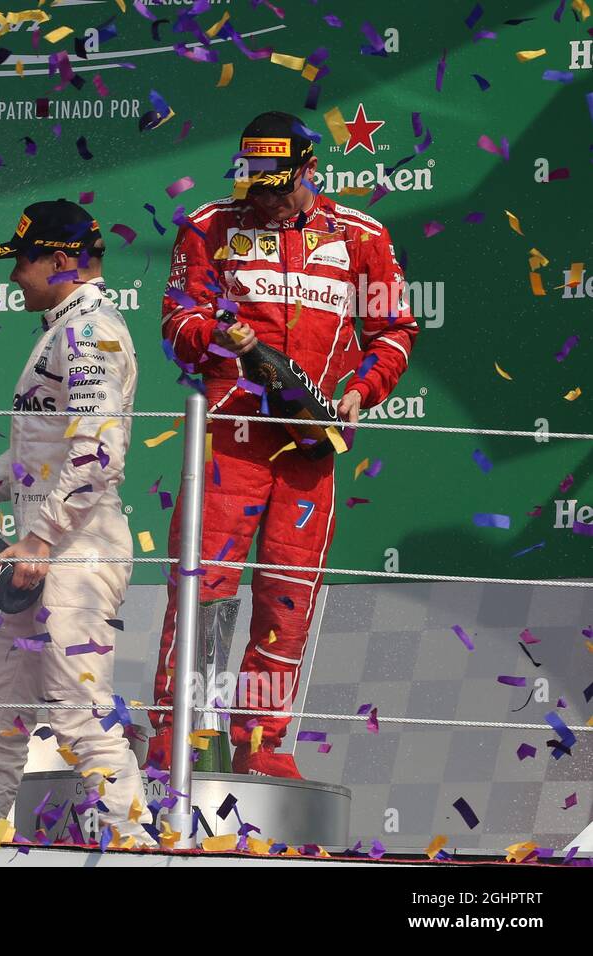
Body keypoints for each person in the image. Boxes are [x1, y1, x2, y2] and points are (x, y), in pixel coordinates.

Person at [148, 111, 419, 778]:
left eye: (276, 184)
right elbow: (177, 319)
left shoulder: (364, 236)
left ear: (309, 170)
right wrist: (219, 335)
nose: (262, 197)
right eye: (253, 183)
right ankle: (180, 731)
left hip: (310, 445)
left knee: (287, 595)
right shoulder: (210, 225)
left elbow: (393, 330)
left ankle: (261, 741)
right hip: (231, 438)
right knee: (203, 587)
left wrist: (363, 389)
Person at [0, 199, 154, 847]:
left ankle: (137, 842)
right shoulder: (62, 331)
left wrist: (40, 538)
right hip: (43, 554)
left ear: (62, 261)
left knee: (77, 715)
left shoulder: (90, 332)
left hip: (76, 552)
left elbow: (99, 450)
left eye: (23, 259)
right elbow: (31, 456)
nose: (14, 274)